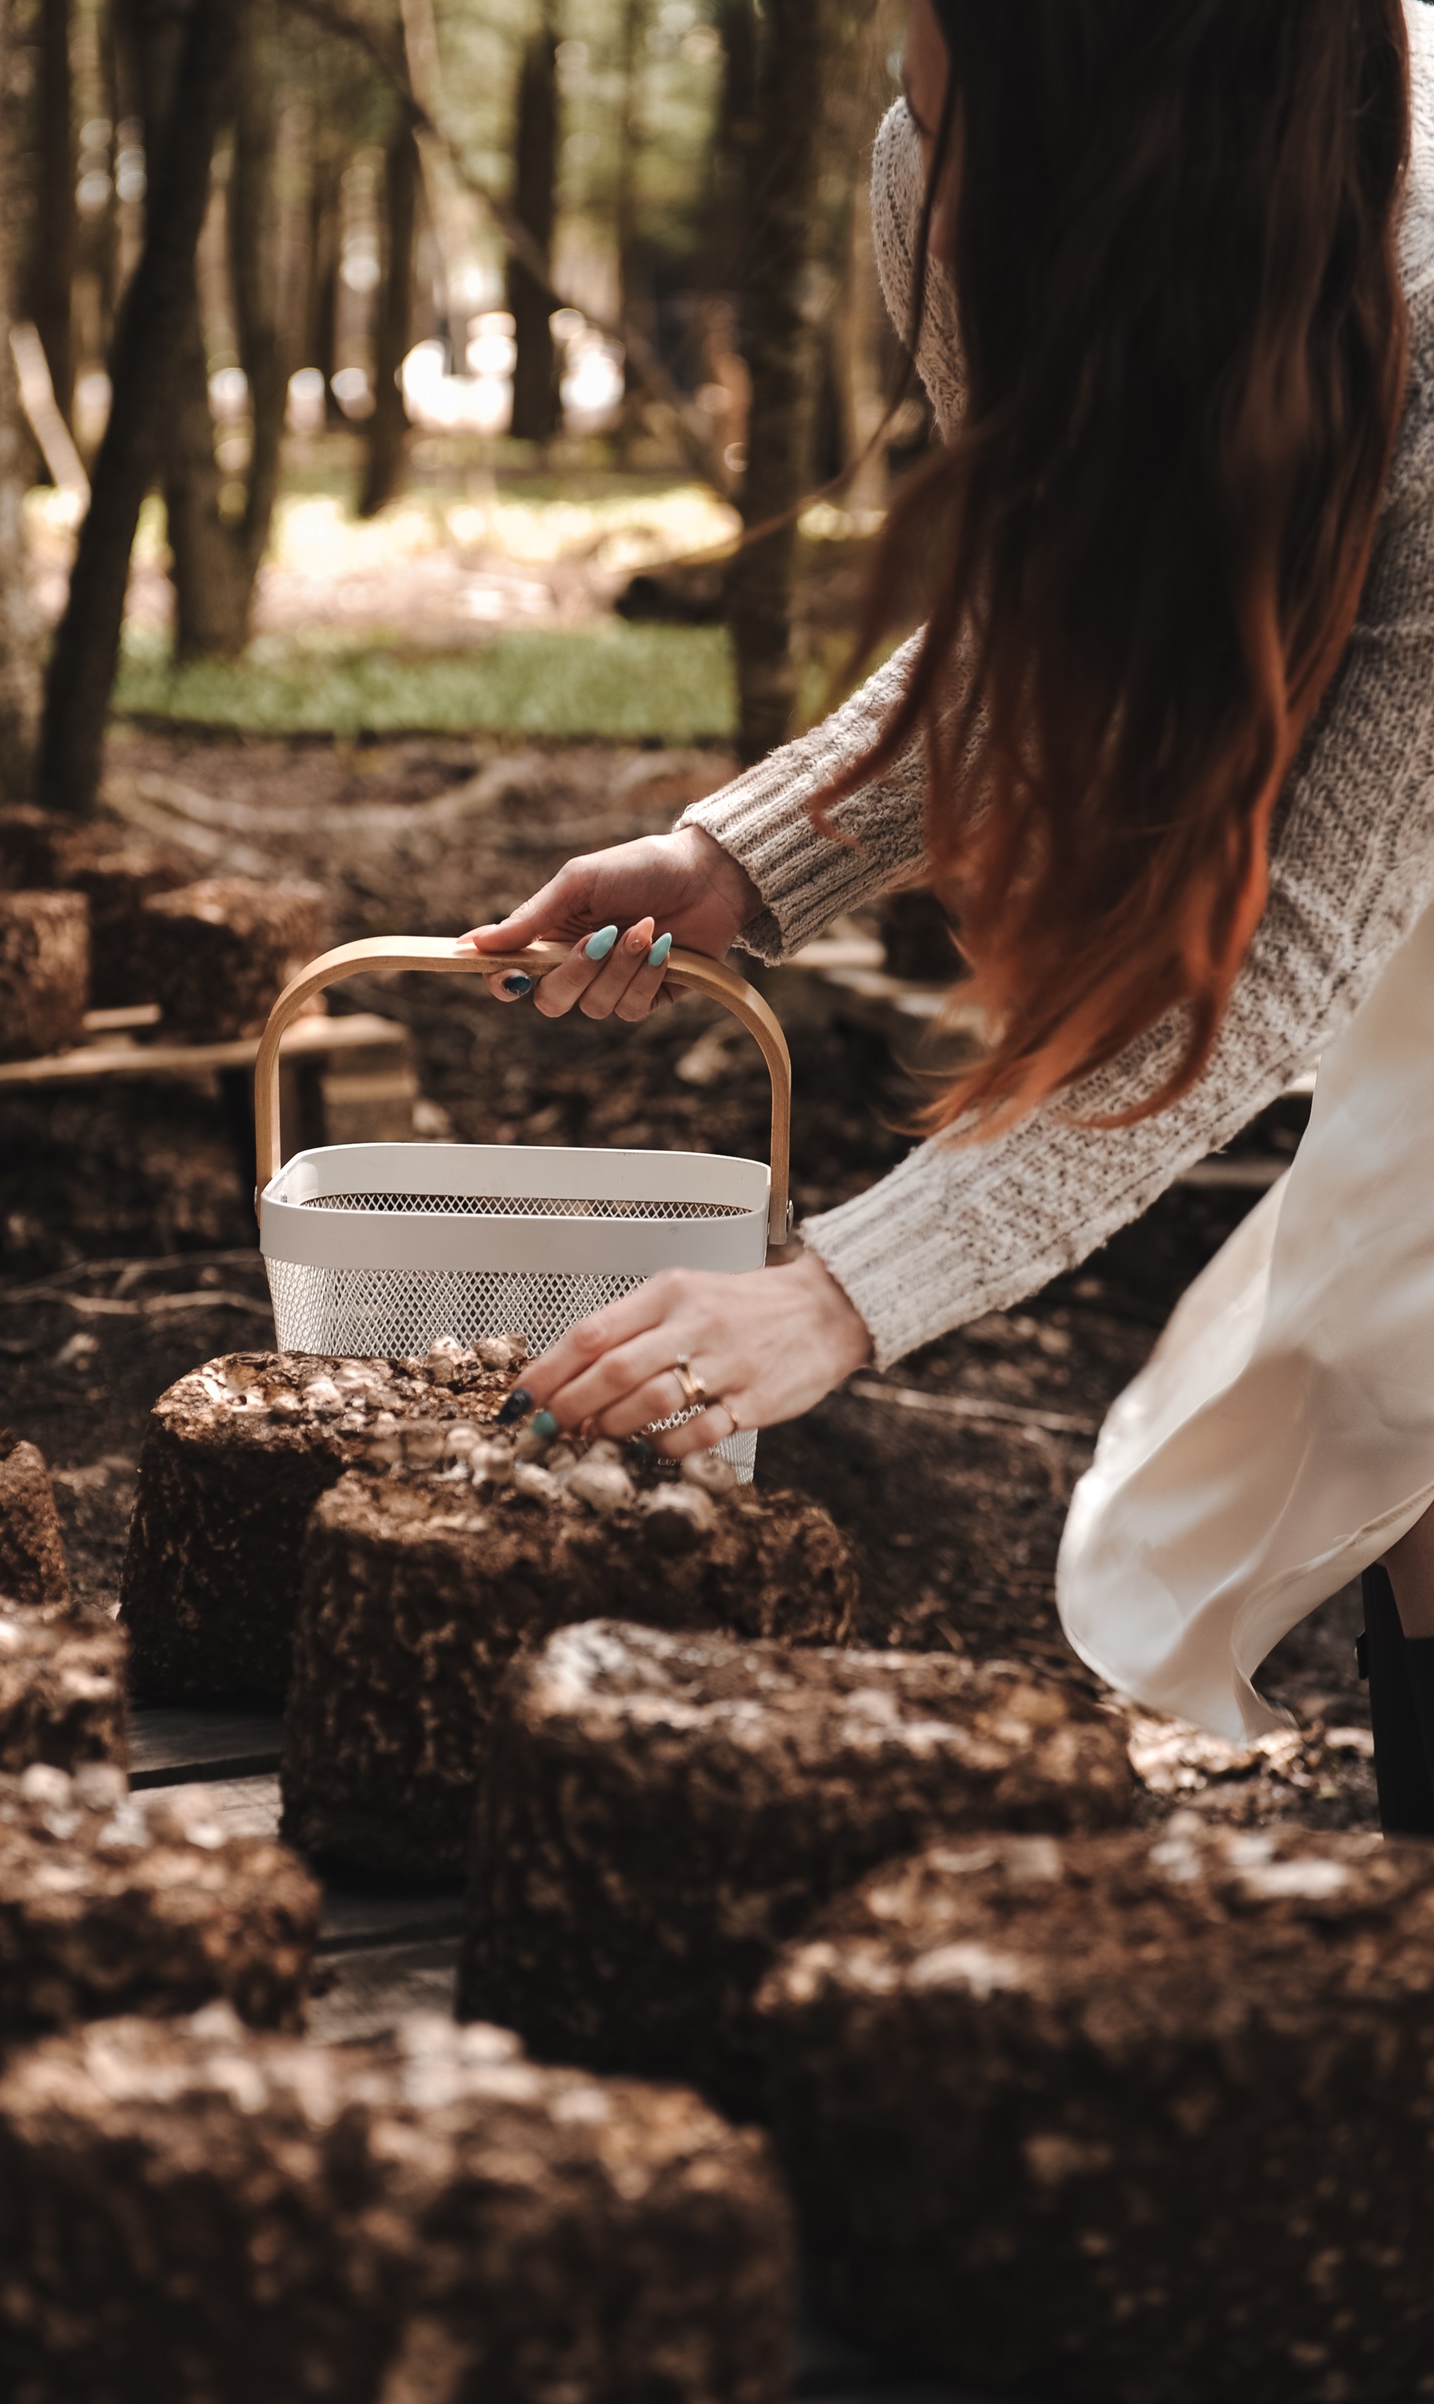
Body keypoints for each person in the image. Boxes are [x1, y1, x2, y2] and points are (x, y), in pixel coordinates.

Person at [462, 1, 1434, 1828]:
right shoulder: (951, 155)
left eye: (937, 70)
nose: (901, 124)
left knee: (1405, 1329)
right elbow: (1071, 594)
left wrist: (849, 1288)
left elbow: (1297, 931)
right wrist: (752, 859)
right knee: (1393, 1385)